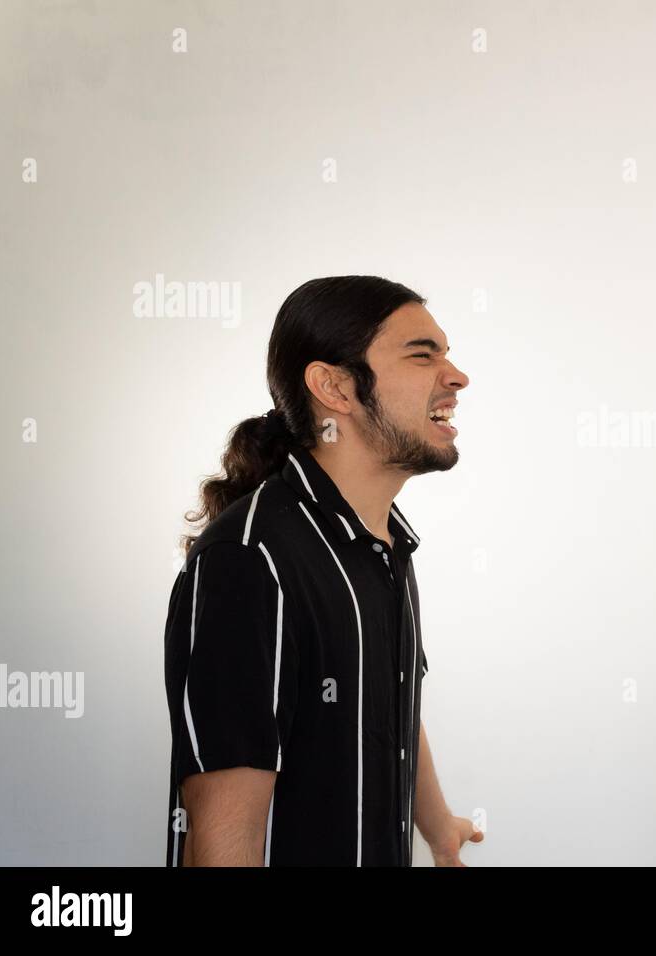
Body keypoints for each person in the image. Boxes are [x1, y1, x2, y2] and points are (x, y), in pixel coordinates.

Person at [163, 275, 483, 866]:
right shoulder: (250, 561)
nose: (456, 375)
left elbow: (389, 702)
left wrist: (438, 828)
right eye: (423, 354)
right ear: (333, 386)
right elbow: (224, 836)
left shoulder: (384, 542)